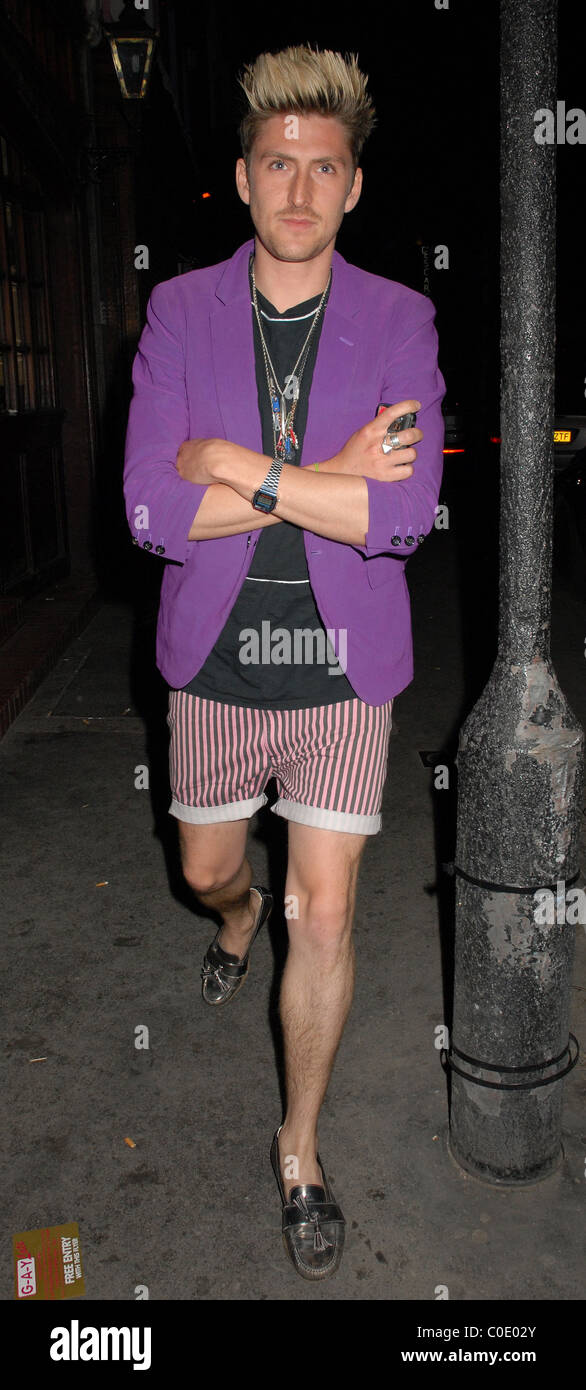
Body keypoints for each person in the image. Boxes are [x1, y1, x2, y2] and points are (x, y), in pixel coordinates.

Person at [124, 43, 445, 1281]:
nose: (300, 190)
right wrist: (322, 484)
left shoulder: (400, 318)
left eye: (324, 167)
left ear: (352, 186)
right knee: (210, 870)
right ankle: (233, 913)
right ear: (246, 181)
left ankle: (298, 1150)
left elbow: (403, 515)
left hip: (343, 672)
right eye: (277, 166)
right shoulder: (178, 309)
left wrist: (229, 463)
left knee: (330, 912)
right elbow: (148, 514)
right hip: (212, 662)